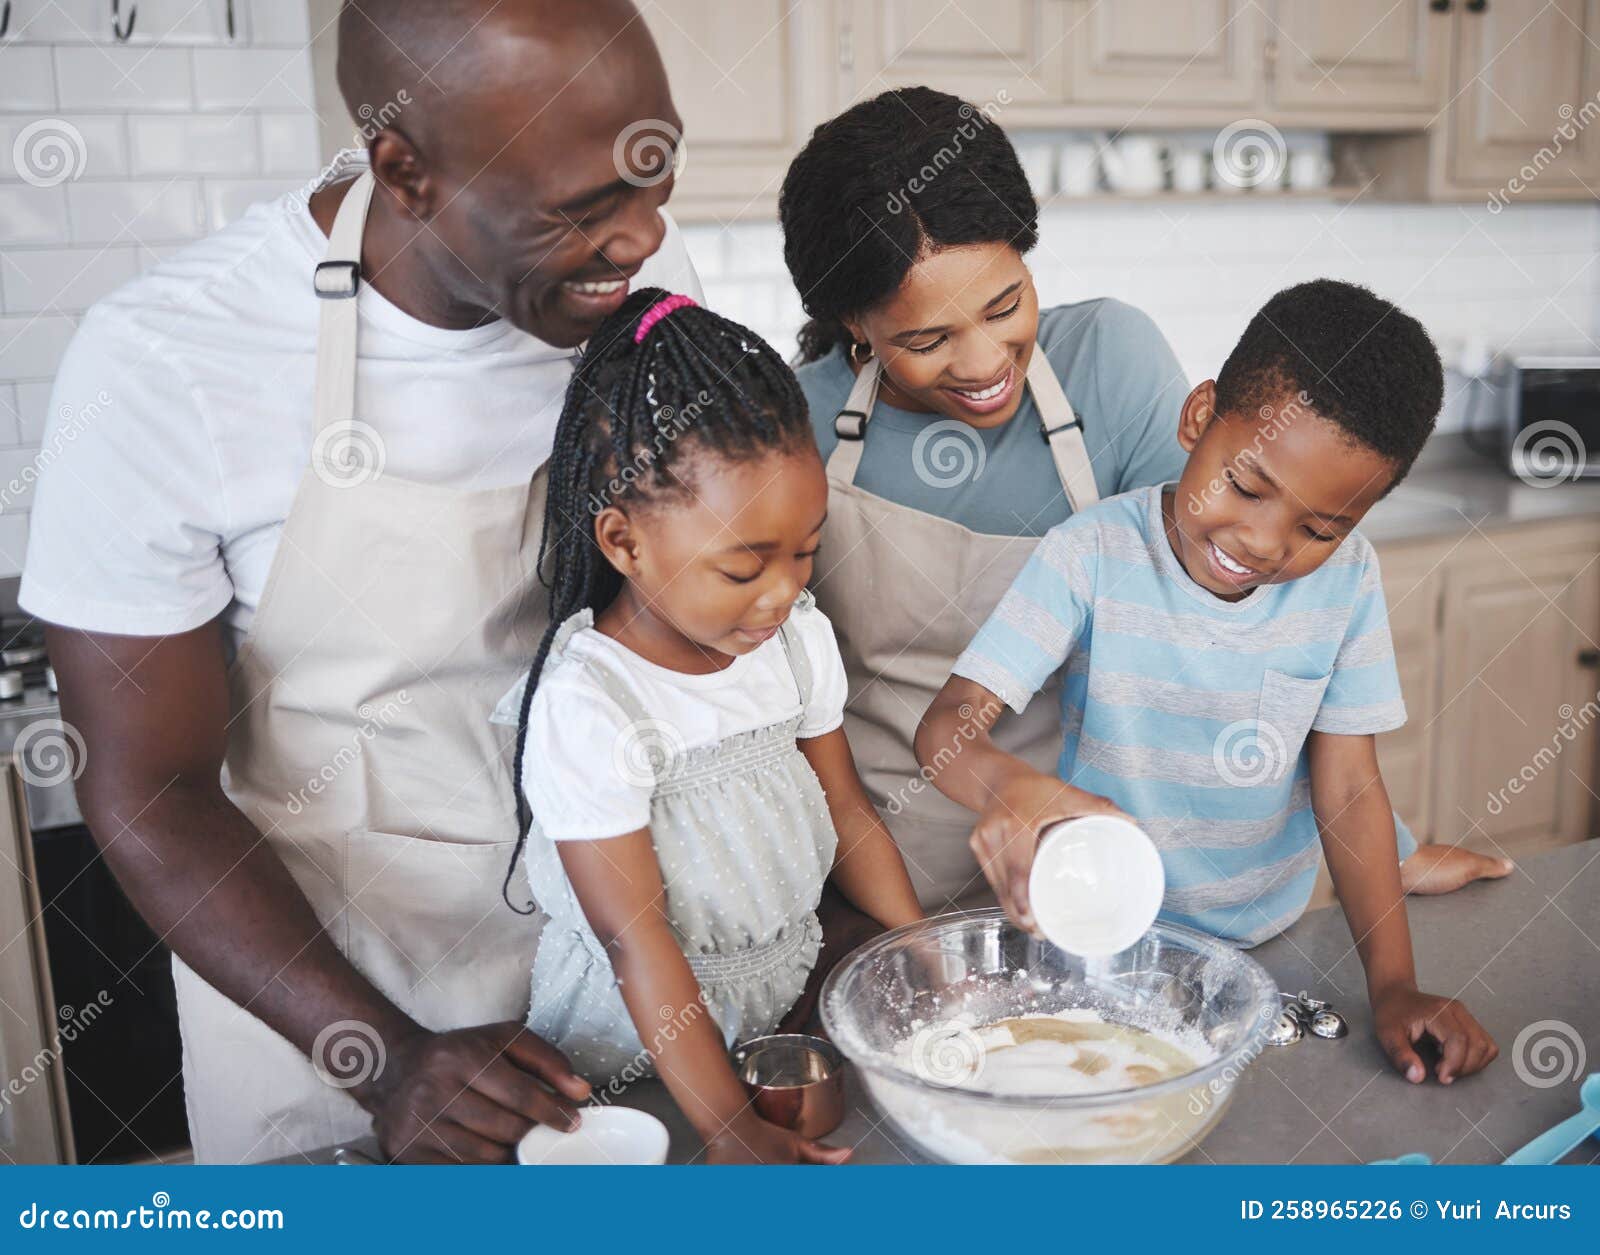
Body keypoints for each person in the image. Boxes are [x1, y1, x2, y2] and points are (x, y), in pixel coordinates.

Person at [22, 0, 703, 1164]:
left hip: (617, 968)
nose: (641, 236)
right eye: (583, 210)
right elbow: (146, 789)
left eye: (653, 176)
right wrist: (385, 1057)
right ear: (405, 170)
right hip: (340, 1021)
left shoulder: (628, 279)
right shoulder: (169, 361)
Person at [777, 85, 1508, 921]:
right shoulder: (793, 426)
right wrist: (899, 932)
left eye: (1006, 305)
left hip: (1098, 877)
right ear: (854, 324)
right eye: (928, 339)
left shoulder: (1108, 361)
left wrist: (1385, 851)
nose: (985, 363)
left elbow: (1237, 638)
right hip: (879, 879)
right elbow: (785, 701)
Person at [916, 280, 1498, 1085]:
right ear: (1197, 419)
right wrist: (1004, 784)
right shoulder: (1090, 554)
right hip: (1104, 933)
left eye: (1318, 528)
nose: (1262, 541)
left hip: (1274, 935)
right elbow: (946, 729)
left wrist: (1393, 984)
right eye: (1247, 486)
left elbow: (1349, 786)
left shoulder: (1350, 581)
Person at [494, 289, 922, 1162]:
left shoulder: (795, 642)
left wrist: (922, 958)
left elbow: (846, 811)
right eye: (742, 567)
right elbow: (634, 935)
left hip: (781, 1014)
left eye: (805, 549)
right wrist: (726, 1125)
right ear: (623, 541)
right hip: (637, 1059)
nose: (782, 592)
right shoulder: (592, 702)